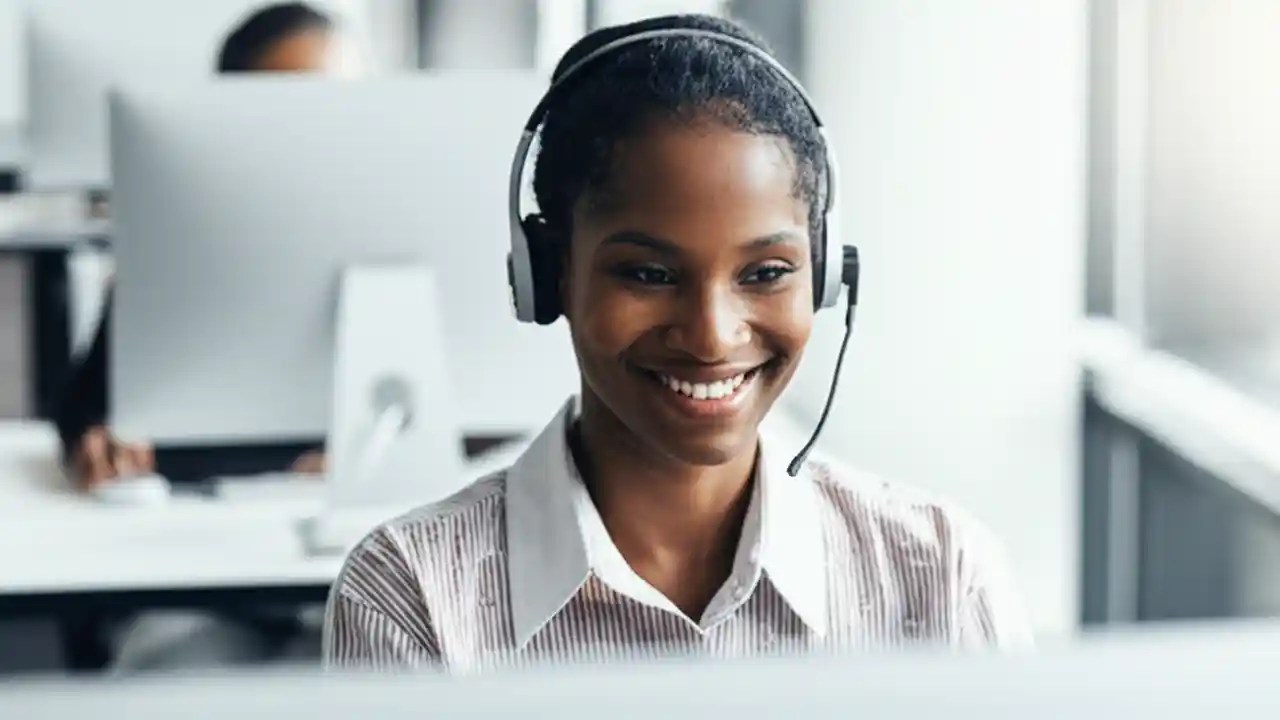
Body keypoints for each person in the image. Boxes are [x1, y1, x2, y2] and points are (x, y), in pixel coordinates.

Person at [323, 14, 1030, 673]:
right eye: (649, 274)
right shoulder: (411, 597)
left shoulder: (939, 575)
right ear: (549, 273)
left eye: (766, 273)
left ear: (825, 274)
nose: (711, 334)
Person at [56, 3, 348, 671]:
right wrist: (97, 444)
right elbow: (84, 404)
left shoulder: (420, 235)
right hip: (214, 574)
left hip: (373, 566)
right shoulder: (186, 240)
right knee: (179, 674)